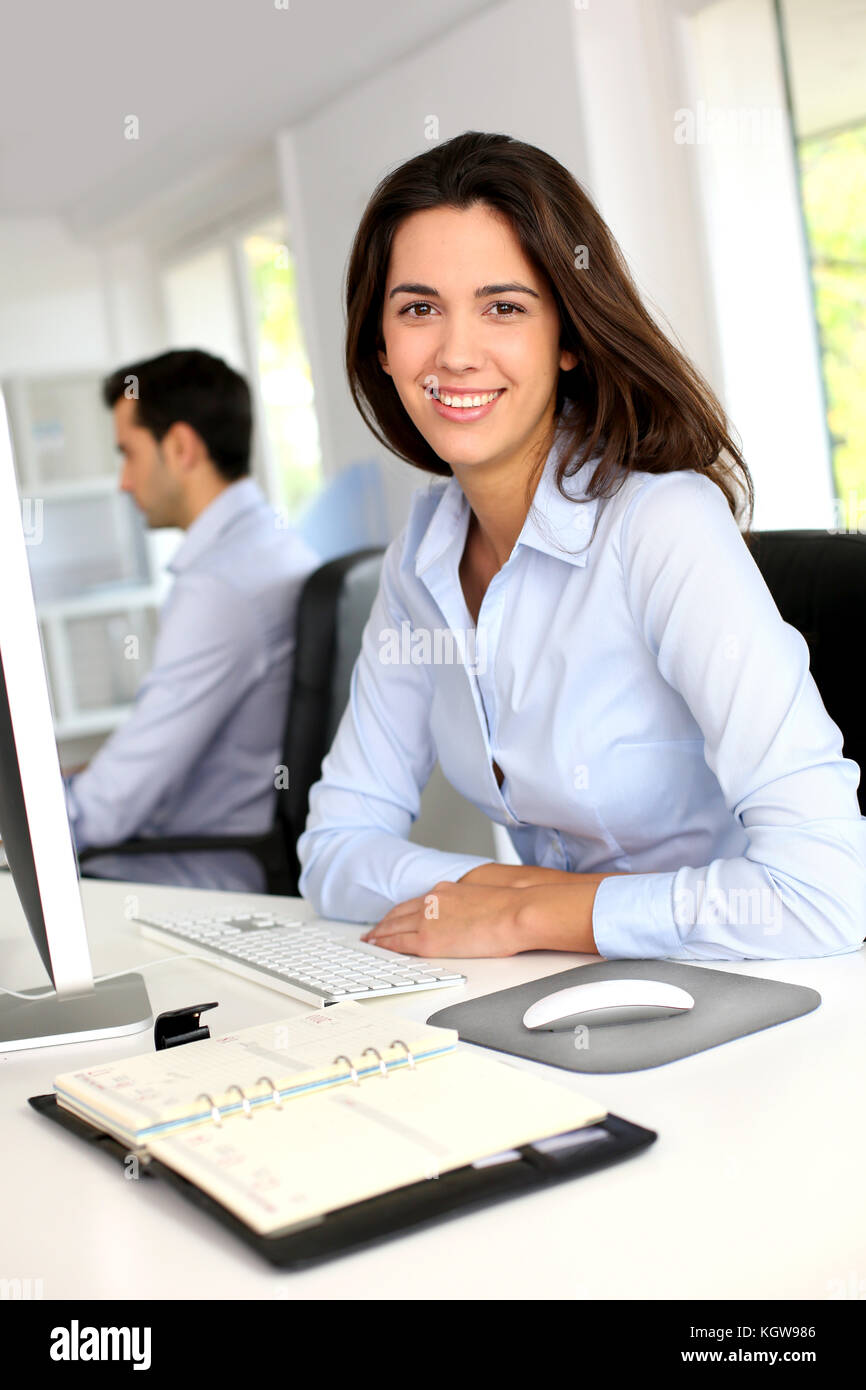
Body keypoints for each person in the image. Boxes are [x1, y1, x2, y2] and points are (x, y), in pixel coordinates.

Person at [296, 130, 866, 961]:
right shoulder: (422, 559)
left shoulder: (660, 526)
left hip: (769, 997)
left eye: (504, 307)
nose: (455, 352)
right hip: (572, 994)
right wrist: (501, 900)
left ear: (567, 335)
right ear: (381, 348)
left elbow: (827, 891)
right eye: (419, 309)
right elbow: (335, 848)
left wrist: (538, 912)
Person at [65, 349, 319, 891]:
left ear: (180, 447)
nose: (124, 482)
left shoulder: (219, 588)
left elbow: (105, 813)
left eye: (128, 454)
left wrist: (40, 812)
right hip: (226, 849)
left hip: (183, 872)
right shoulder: (272, 548)